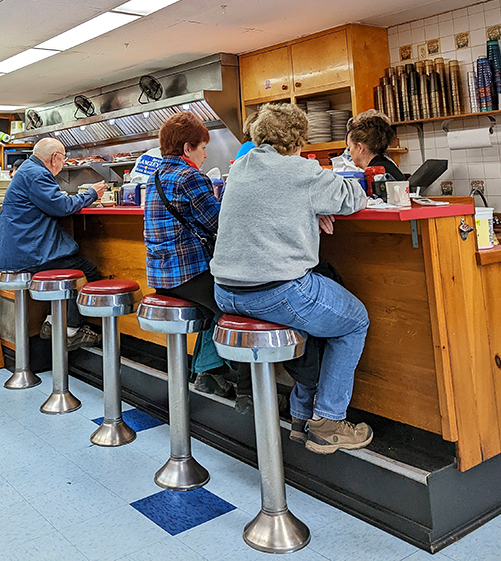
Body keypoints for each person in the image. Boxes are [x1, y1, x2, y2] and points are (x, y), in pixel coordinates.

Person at [211, 103, 373, 454]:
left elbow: (266, 207)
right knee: (354, 319)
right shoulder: (303, 171)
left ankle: (301, 414)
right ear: (301, 139)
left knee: (319, 308)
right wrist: (316, 206)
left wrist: (306, 212)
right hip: (273, 294)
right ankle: (329, 419)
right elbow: (353, 197)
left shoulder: (240, 168)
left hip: (225, 293)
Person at [144, 112, 250, 406]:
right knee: (239, 306)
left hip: (160, 276)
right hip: (186, 274)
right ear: (187, 148)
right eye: (203, 148)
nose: (205, 154)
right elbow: (219, 224)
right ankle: (248, 393)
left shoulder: (155, 176)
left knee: (215, 305)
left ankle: (208, 371)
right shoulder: (191, 176)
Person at [0, 137, 107, 350]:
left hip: (20, 250)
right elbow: (62, 206)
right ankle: (71, 330)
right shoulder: (38, 175)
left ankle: (52, 322)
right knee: (85, 271)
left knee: (63, 270)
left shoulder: (28, 170)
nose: (63, 163)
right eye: (63, 159)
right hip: (29, 252)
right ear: (55, 157)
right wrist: (92, 193)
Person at [346, 110, 406, 181]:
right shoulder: (385, 165)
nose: (349, 153)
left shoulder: (377, 174)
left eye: (350, 148)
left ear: (360, 147)